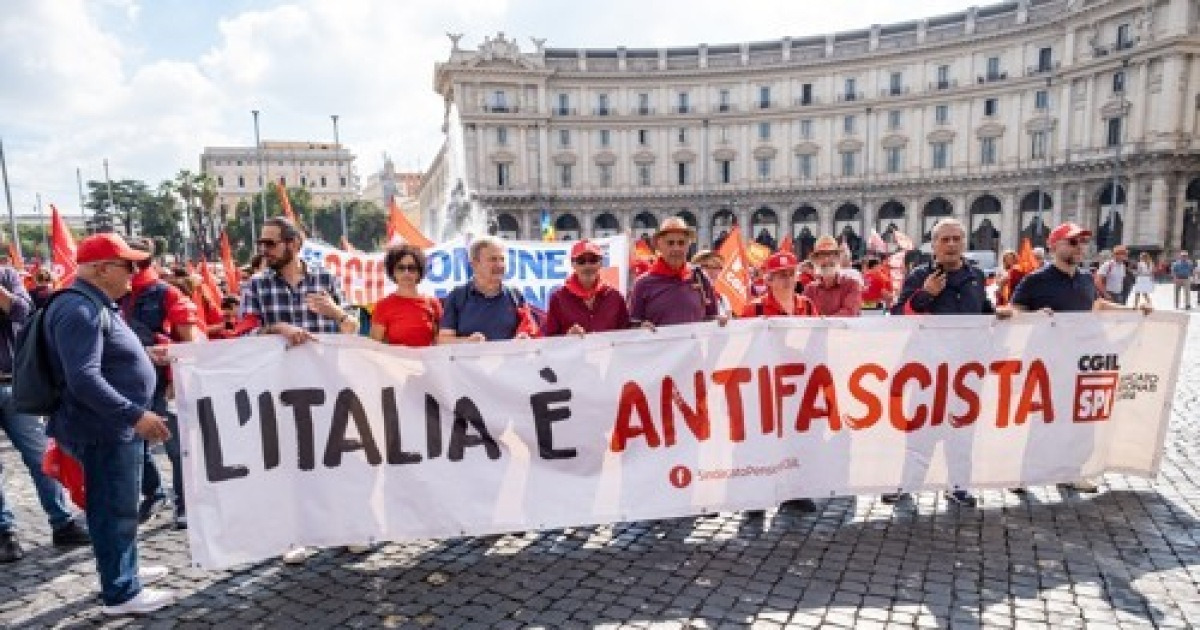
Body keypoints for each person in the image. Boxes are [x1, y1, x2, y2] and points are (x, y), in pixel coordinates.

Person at [44, 233, 175, 614]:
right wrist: (135, 415)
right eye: (128, 266)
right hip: (105, 431)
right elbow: (83, 378)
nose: (135, 275)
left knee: (119, 505)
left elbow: (103, 358)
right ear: (102, 269)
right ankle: (121, 593)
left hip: (108, 428)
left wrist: (146, 355)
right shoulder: (79, 309)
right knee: (112, 509)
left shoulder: (90, 303)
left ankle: (125, 571)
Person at [240, 217, 359, 562]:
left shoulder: (325, 278)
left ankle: (346, 528)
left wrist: (336, 312)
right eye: (262, 243)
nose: (263, 250)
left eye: (270, 243)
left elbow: (352, 328)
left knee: (337, 457)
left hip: (327, 385)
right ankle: (294, 535)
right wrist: (275, 327)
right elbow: (243, 336)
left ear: (293, 244)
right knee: (290, 462)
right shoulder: (257, 286)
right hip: (281, 390)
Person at [1011, 222, 1150, 494]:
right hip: (1046, 362)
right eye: (1073, 243)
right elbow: (1013, 310)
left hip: (1081, 362)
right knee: (1042, 421)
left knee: (1080, 420)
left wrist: (1133, 311)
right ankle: (1024, 474)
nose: (1080, 248)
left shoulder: (1086, 278)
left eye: (1083, 243)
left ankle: (1072, 471)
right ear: (1054, 246)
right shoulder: (1035, 280)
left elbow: (1095, 305)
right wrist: (1035, 317)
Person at [889, 218, 1014, 508]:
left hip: (965, 371)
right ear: (933, 245)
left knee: (962, 431)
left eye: (956, 238)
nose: (951, 244)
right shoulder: (919, 276)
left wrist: (998, 314)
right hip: (929, 371)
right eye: (944, 239)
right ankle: (908, 486)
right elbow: (897, 316)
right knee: (920, 431)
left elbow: (981, 312)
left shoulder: (976, 276)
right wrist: (926, 295)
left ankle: (958, 487)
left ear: (964, 242)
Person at [0, 259, 91, 564]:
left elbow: (23, 311)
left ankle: (61, 522)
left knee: (39, 457)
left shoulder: (7, 275)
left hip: (13, 386)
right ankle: (5, 531)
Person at [121, 238, 201, 530]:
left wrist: (177, 377)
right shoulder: (111, 294)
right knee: (134, 444)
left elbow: (190, 342)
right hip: (124, 383)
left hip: (163, 382)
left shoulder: (167, 293)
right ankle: (154, 493)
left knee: (176, 446)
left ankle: (185, 503)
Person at [439, 235, 538, 343]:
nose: (500, 265)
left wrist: (525, 338)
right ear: (474, 264)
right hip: (469, 359)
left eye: (502, 259)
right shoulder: (457, 296)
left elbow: (529, 331)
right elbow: (443, 340)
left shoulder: (515, 295)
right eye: (493, 259)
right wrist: (466, 341)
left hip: (509, 359)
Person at [628, 217, 721, 328]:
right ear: (659, 245)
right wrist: (640, 327)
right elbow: (631, 326)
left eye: (681, 243)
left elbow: (712, 318)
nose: (676, 248)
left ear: (688, 246)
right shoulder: (642, 284)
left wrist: (720, 321)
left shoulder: (700, 278)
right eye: (670, 243)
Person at [545, 240, 630, 336]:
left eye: (593, 260)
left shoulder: (615, 297)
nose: (587, 266)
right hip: (572, 351)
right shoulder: (558, 299)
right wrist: (567, 338)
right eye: (581, 261)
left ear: (600, 263)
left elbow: (625, 337)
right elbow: (549, 340)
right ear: (573, 264)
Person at [370, 243, 442, 347]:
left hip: (426, 362)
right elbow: (374, 347)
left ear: (419, 272)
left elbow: (440, 342)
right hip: (395, 363)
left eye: (412, 268)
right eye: (400, 268)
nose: (406, 273)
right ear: (393, 272)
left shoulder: (433, 303)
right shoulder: (383, 306)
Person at [803, 236, 862, 317]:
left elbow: (849, 313)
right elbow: (803, 316)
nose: (827, 259)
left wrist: (823, 322)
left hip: (844, 330)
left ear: (838, 258)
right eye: (822, 256)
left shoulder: (852, 285)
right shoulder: (809, 290)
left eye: (830, 255)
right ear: (816, 261)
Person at [691, 250, 731, 317]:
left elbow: (729, 321)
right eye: (708, 266)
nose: (716, 271)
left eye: (719, 267)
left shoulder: (722, 298)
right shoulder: (692, 291)